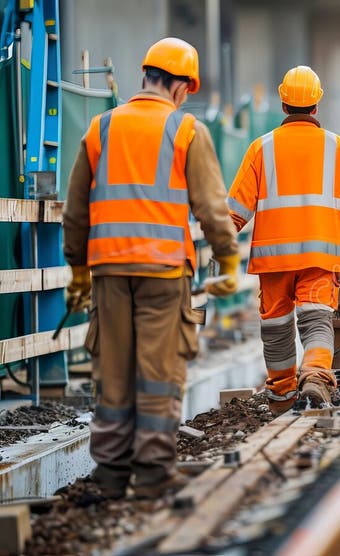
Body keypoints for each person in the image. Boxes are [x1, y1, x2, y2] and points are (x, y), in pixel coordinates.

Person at [62, 37, 240, 499]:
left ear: (146, 76)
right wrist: (228, 258)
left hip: (108, 274)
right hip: (163, 274)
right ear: (181, 87)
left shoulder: (101, 129)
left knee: (113, 373)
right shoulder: (186, 131)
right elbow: (211, 207)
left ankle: (111, 475)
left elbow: (76, 209)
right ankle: (155, 473)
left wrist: (78, 271)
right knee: (158, 372)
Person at [227, 66, 340, 411]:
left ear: (284, 104)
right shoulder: (335, 146)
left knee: (277, 330)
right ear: (316, 105)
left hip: (273, 262)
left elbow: (235, 210)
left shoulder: (261, 148)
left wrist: (220, 244)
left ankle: (282, 399)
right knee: (317, 321)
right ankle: (314, 375)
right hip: (320, 257)